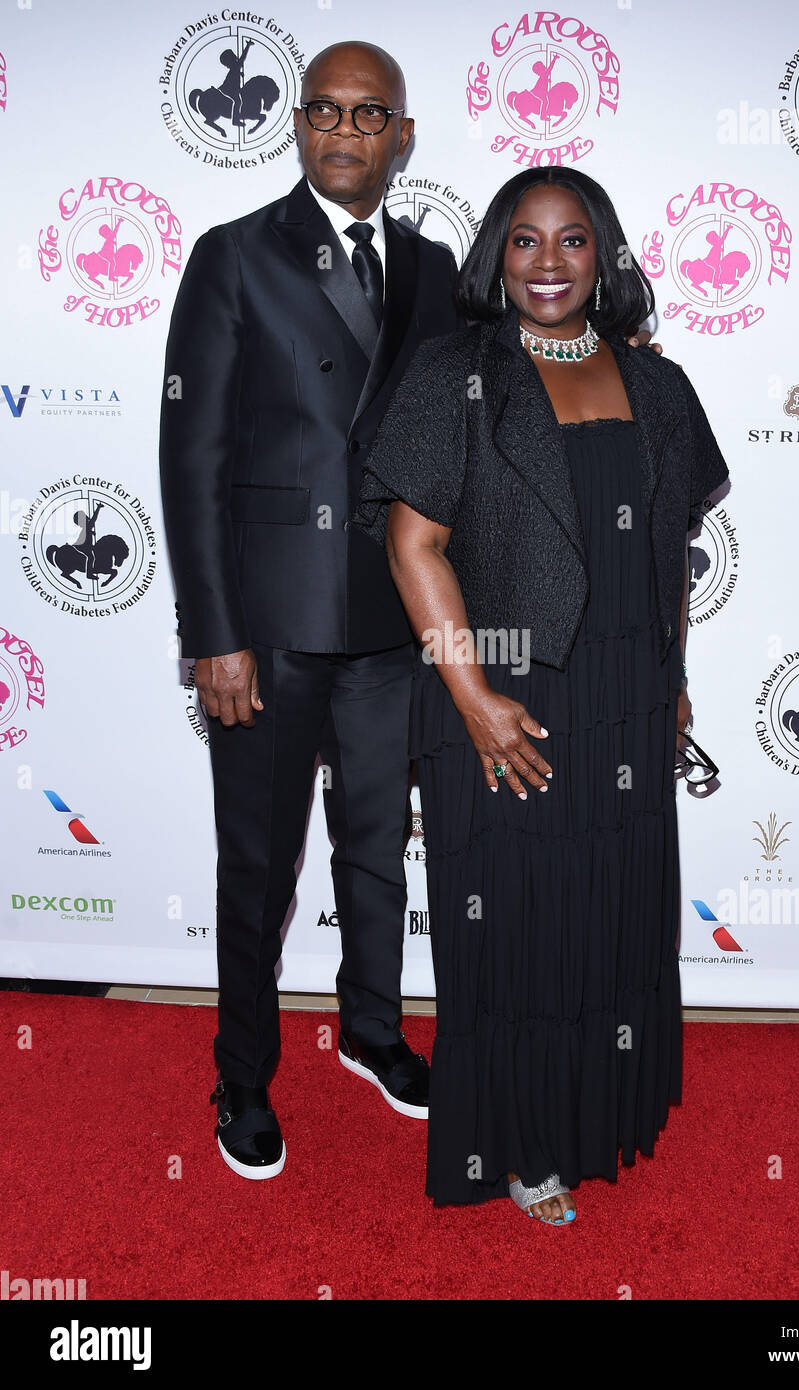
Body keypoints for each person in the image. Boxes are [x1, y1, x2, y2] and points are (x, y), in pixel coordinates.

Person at [351, 168, 729, 1223]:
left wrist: (673, 679)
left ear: (603, 255)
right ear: (495, 257)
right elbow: (410, 544)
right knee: (514, 921)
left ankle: (597, 1108)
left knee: (611, 914)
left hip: (623, 687)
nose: (550, 261)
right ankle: (521, 1141)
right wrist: (469, 698)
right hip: (502, 686)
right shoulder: (452, 373)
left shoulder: (655, 384)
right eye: (525, 240)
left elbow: (667, 551)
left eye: (572, 239)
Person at [159, 41, 461, 1180]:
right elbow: (192, 461)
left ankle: (372, 1030)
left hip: (391, 621)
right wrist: (212, 635)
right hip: (271, 631)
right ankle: (242, 1074)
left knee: (378, 848)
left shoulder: (435, 272)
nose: (343, 131)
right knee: (258, 863)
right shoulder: (234, 257)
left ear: (401, 134)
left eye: (368, 113)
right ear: (297, 124)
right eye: (324, 111)